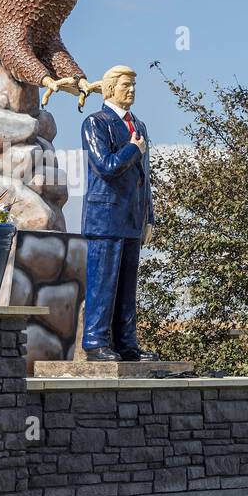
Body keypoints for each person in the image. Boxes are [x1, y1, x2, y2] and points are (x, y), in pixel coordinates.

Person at [79, 65, 158, 362]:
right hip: (105, 218)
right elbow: (106, 165)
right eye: (126, 85)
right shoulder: (95, 123)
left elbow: (145, 176)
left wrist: (149, 216)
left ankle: (126, 343)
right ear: (110, 88)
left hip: (133, 218)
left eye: (134, 85)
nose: (132, 90)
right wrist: (133, 150)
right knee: (103, 282)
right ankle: (95, 341)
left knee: (127, 285)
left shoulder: (139, 125)